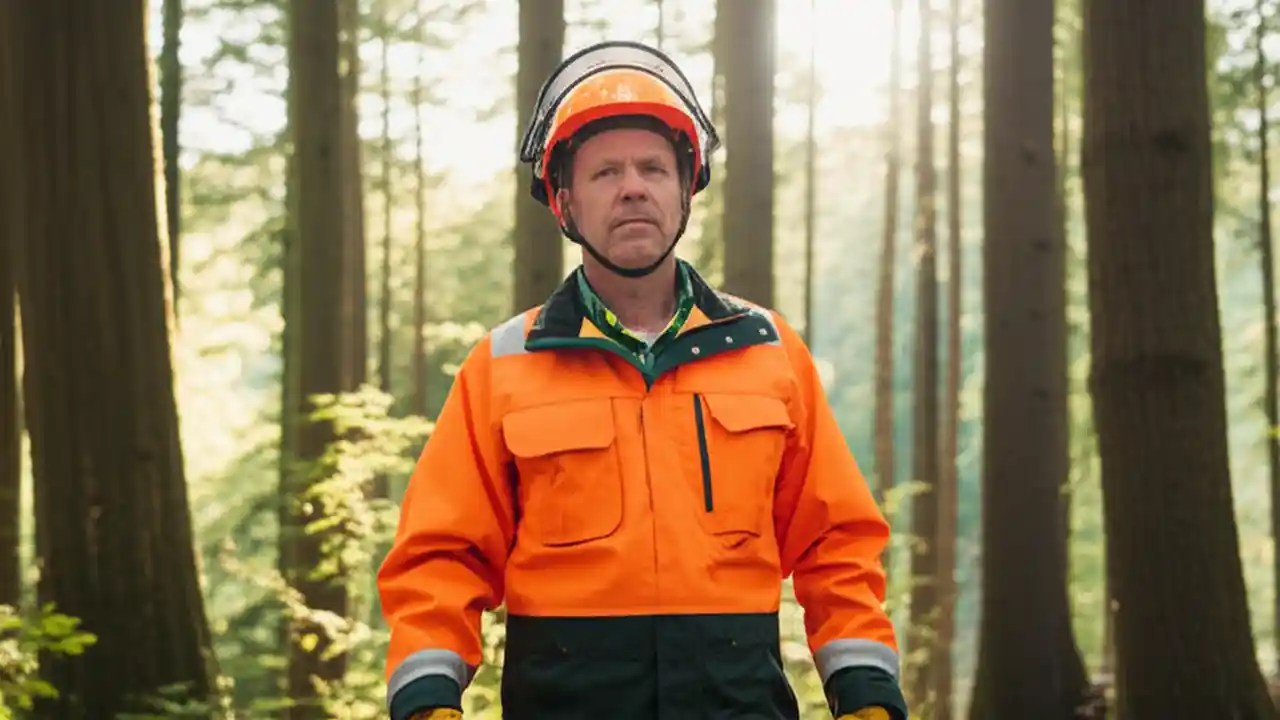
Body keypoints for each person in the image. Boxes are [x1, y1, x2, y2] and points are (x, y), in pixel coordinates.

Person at [378, 40, 908, 720]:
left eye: (654, 167)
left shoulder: (769, 351)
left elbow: (836, 544)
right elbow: (440, 556)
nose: (633, 186)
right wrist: (426, 695)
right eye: (605, 173)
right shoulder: (505, 365)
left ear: (685, 188)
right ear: (563, 203)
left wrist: (864, 689)